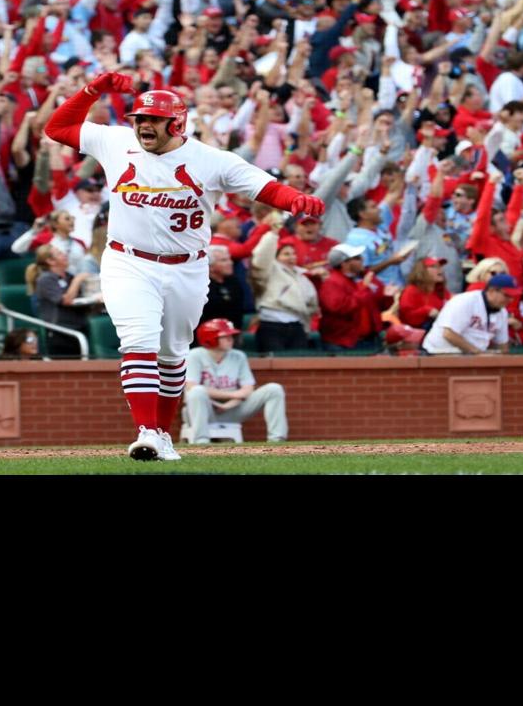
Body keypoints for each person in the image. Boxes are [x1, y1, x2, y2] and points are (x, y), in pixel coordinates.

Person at [43, 73, 322, 462]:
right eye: (139, 118)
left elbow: (263, 186)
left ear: (176, 123)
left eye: (153, 120)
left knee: (173, 353)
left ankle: (162, 434)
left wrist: (295, 199)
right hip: (127, 260)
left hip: (186, 268)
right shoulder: (117, 142)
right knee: (138, 340)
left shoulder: (210, 159)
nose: (143, 126)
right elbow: (57, 127)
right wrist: (95, 88)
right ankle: (146, 431)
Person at [182, 318, 289, 444]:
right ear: (210, 337)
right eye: (225, 336)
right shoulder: (194, 355)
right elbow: (191, 386)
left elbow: (248, 389)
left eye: (231, 336)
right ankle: (201, 440)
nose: (230, 339)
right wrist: (233, 395)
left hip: (233, 408)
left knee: (274, 389)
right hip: (205, 408)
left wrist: (230, 403)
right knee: (197, 391)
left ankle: (277, 440)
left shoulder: (238, 356)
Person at [249, 223, 322, 353]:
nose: (291, 257)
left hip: (297, 326)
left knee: (298, 365)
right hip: (272, 325)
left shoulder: (302, 277)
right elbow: (261, 258)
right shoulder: (269, 270)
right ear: (276, 257)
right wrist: (273, 235)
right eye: (286, 254)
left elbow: (312, 305)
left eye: (293, 254)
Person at [421, 274, 520, 355]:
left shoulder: (502, 312)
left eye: (512, 296)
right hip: (439, 353)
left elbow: (502, 345)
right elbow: (449, 334)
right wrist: (478, 354)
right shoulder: (466, 301)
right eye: (507, 295)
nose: (510, 300)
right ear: (491, 291)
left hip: (469, 357)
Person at [31, 245, 96, 358]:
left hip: (79, 327)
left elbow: (82, 300)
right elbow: (66, 300)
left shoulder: (69, 276)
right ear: (50, 261)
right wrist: (77, 280)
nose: (65, 255)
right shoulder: (45, 279)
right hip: (60, 332)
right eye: (59, 253)